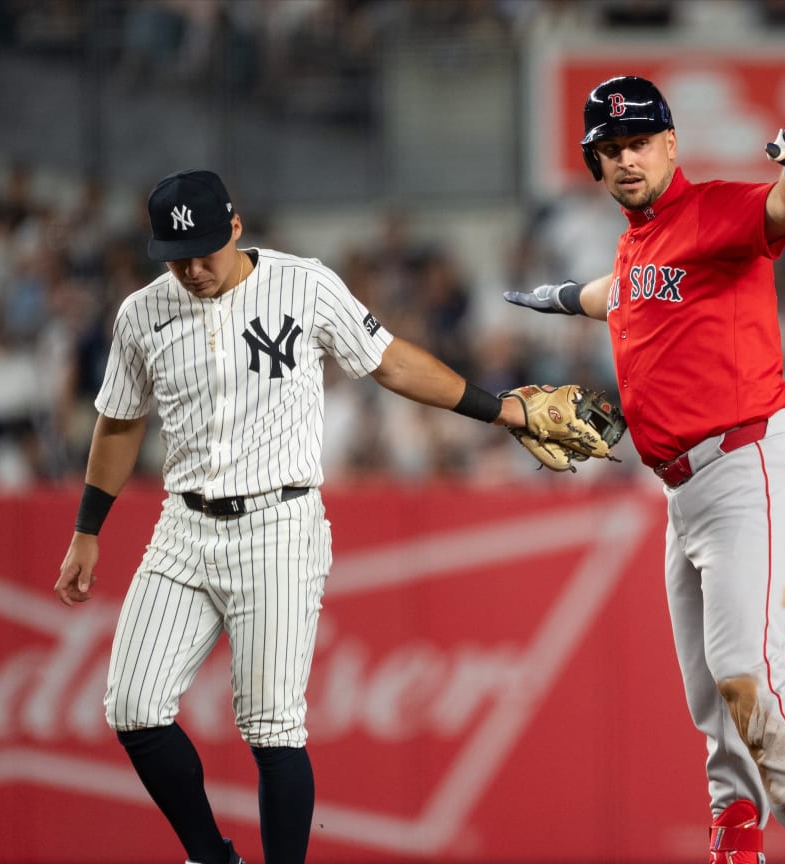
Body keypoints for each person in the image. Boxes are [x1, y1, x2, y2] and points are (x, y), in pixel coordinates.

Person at [53, 169, 531, 864]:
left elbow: (390, 363)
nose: (191, 268)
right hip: (183, 528)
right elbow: (119, 423)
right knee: (131, 704)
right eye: (176, 256)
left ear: (235, 228)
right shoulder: (142, 314)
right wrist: (87, 530)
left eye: (205, 252)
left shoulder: (303, 284)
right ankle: (210, 856)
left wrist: (500, 409)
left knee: (272, 727)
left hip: (278, 524)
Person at [505, 76, 785, 864]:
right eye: (609, 149)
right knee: (712, 698)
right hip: (687, 490)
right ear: (595, 164)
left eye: (637, 142)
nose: (625, 159)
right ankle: (736, 843)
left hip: (748, 466)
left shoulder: (715, 210)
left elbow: (783, 210)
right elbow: (614, 293)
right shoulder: (638, 245)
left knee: (747, 673)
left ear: (669, 144)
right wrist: (558, 298)